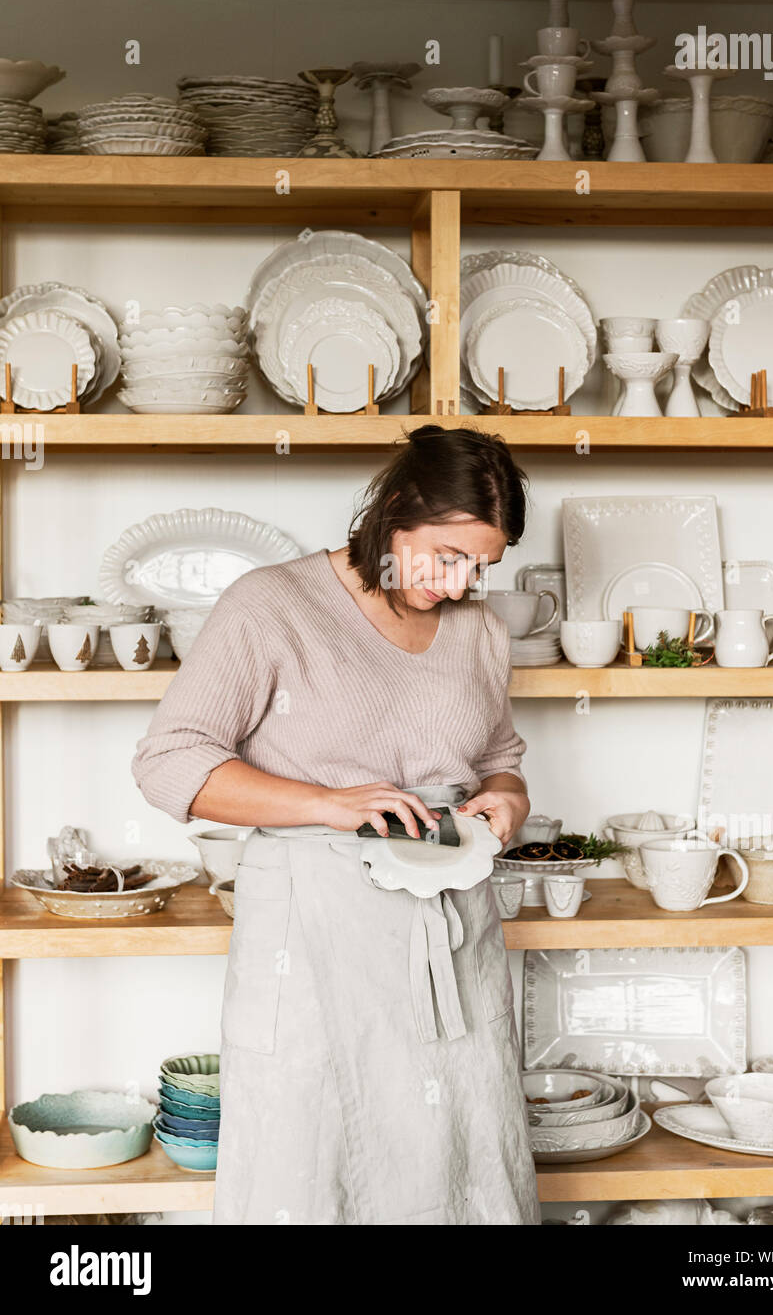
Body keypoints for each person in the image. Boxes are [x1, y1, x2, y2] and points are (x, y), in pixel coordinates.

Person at [132, 424, 540, 1225]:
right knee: (316, 1152)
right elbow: (169, 762)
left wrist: (509, 796)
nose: (460, 586)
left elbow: (499, 751)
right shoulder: (272, 604)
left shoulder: (481, 632)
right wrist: (328, 802)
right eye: (446, 557)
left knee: (456, 1152)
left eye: (482, 566)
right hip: (315, 936)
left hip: (452, 930)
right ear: (394, 512)